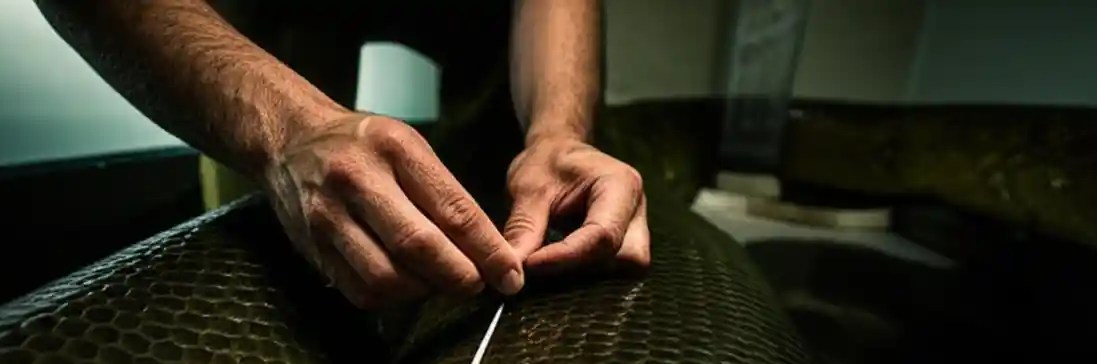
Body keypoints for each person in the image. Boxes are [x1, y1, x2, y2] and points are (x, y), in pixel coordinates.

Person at [35, 0, 650, 309]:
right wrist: (284, 132)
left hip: (474, 23)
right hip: (268, 19)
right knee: (286, 258)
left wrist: (557, 134)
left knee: (504, 230)